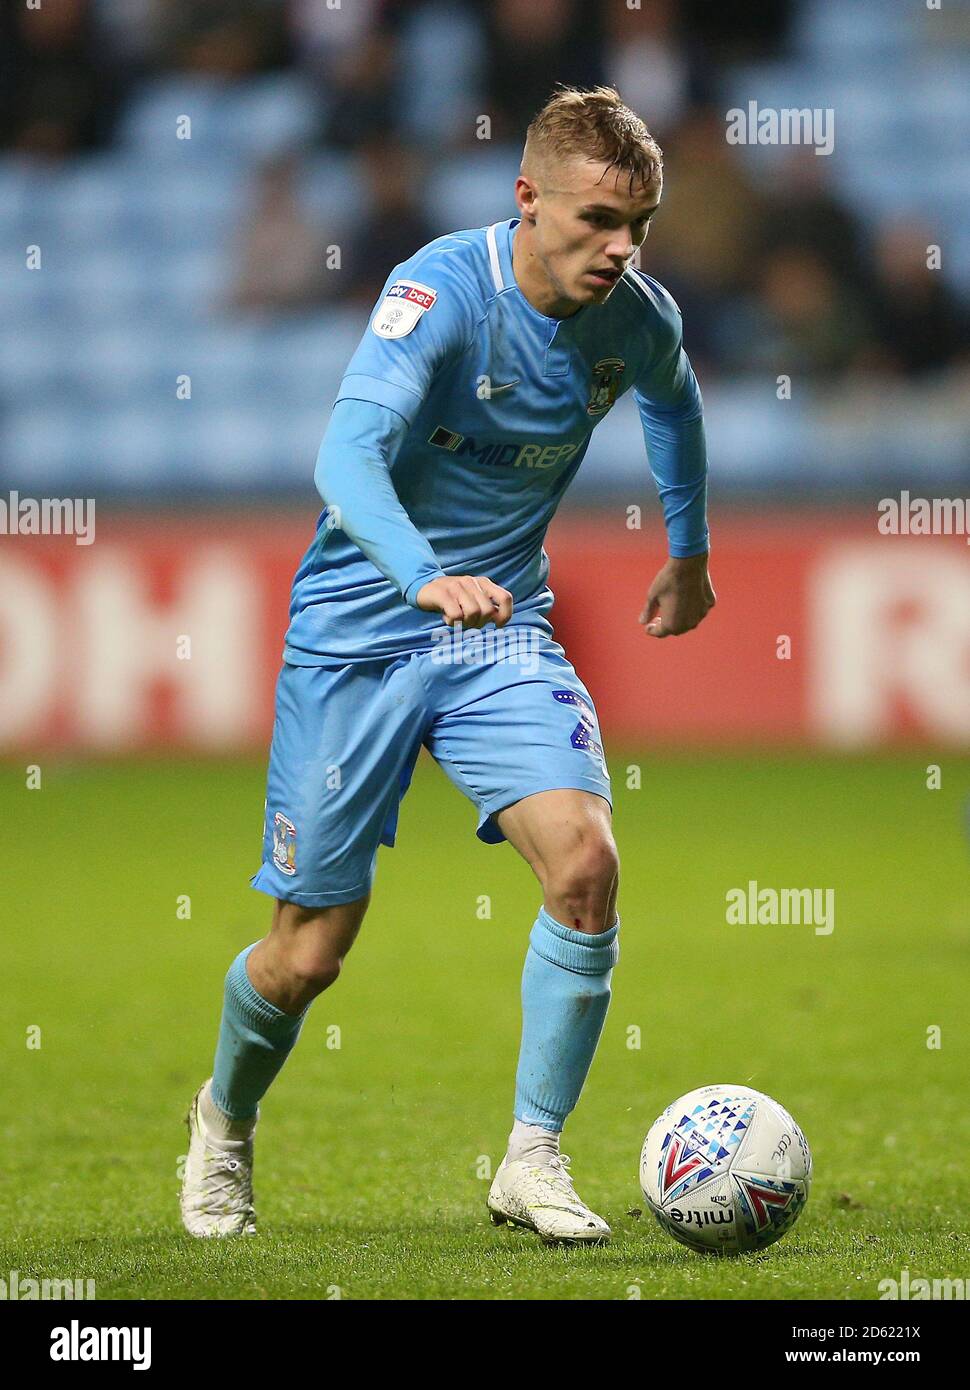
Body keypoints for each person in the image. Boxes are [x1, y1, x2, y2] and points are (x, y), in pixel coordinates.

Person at [180, 85, 715, 1246]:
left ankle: (531, 1157)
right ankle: (224, 1119)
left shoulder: (635, 316)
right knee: (307, 953)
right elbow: (345, 453)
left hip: (498, 630)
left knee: (584, 862)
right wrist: (421, 571)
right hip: (359, 632)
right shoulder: (438, 292)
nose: (619, 248)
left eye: (640, 224)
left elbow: (674, 402)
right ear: (526, 199)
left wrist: (689, 551)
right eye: (595, 220)